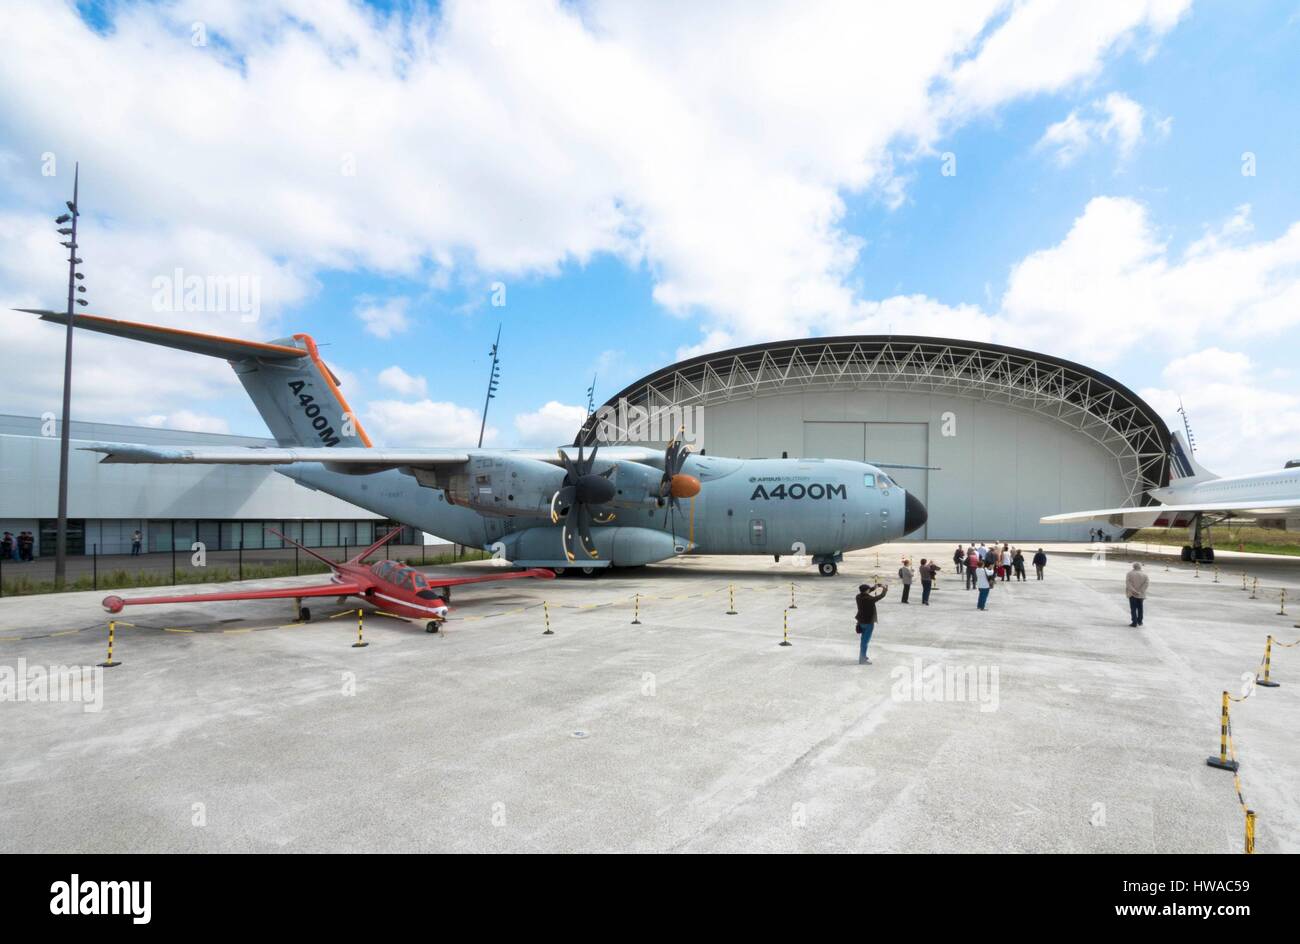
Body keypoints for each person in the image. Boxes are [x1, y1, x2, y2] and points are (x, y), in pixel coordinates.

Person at [855, 582, 888, 664]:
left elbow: (867, 592)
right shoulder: (869, 599)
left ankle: (863, 655)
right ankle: (862, 659)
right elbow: (881, 596)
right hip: (868, 622)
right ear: (866, 590)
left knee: (863, 640)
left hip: (861, 621)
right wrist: (885, 588)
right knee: (865, 641)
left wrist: (876, 586)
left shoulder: (858, 596)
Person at [1126, 562, 1149, 627]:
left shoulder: (1129, 574)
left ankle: (1134, 622)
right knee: (1140, 608)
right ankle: (1140, 621)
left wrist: (1134, 591)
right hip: (1141, 594)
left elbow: (1128, 584)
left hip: (1132, 594)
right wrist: (1140, 591)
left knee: (1133, 608)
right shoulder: (1145, 575)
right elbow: (1146, 584)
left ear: (1133, 567)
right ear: (1140, 567)